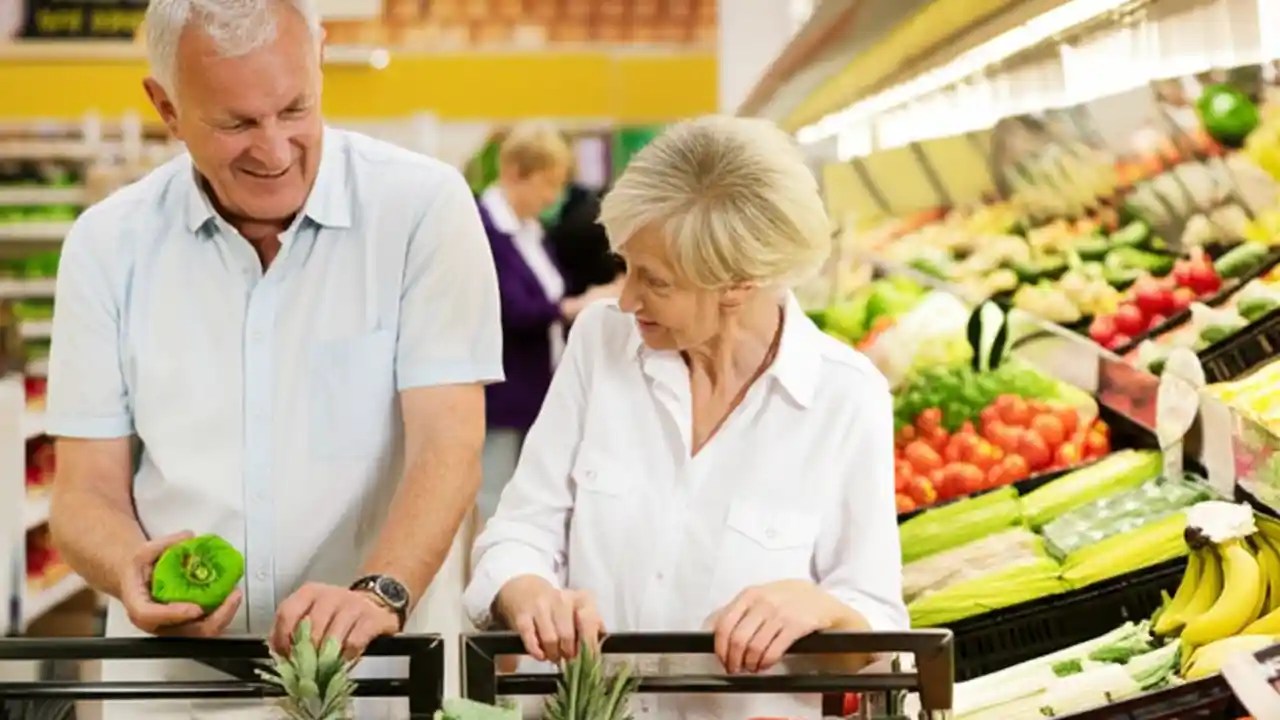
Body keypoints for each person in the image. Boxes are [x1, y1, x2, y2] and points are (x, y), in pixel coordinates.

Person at [43, 0, 502, 717]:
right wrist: (127, 565)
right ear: (165, 105)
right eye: (236, 124)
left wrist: (380, 589)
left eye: (295, 109)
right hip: (174, 685)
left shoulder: (421, 210)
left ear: (318, 55)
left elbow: (448, 444)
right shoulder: (108, 246)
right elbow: (83, 491)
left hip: (375, 678)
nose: (275, 149)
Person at [463, 115, 908, 720]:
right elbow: (520, 531)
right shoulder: (602, 343)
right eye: (627, 267)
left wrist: (821, 609)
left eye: (656, 281)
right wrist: (528, 590)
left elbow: (879, 628)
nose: (625, 299)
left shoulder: (844, 398)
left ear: (738, 284)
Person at [476, 123, 618, 521]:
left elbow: (548, 291)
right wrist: (573, 306)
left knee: (530, 502)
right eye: (546, 183)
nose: (552, 197)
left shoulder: (531, 232)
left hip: (535, 387)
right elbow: (510, 309)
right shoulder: (484, 231)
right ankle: (491, 583)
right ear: (515, 174)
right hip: (501, 393)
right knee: (495, 500)